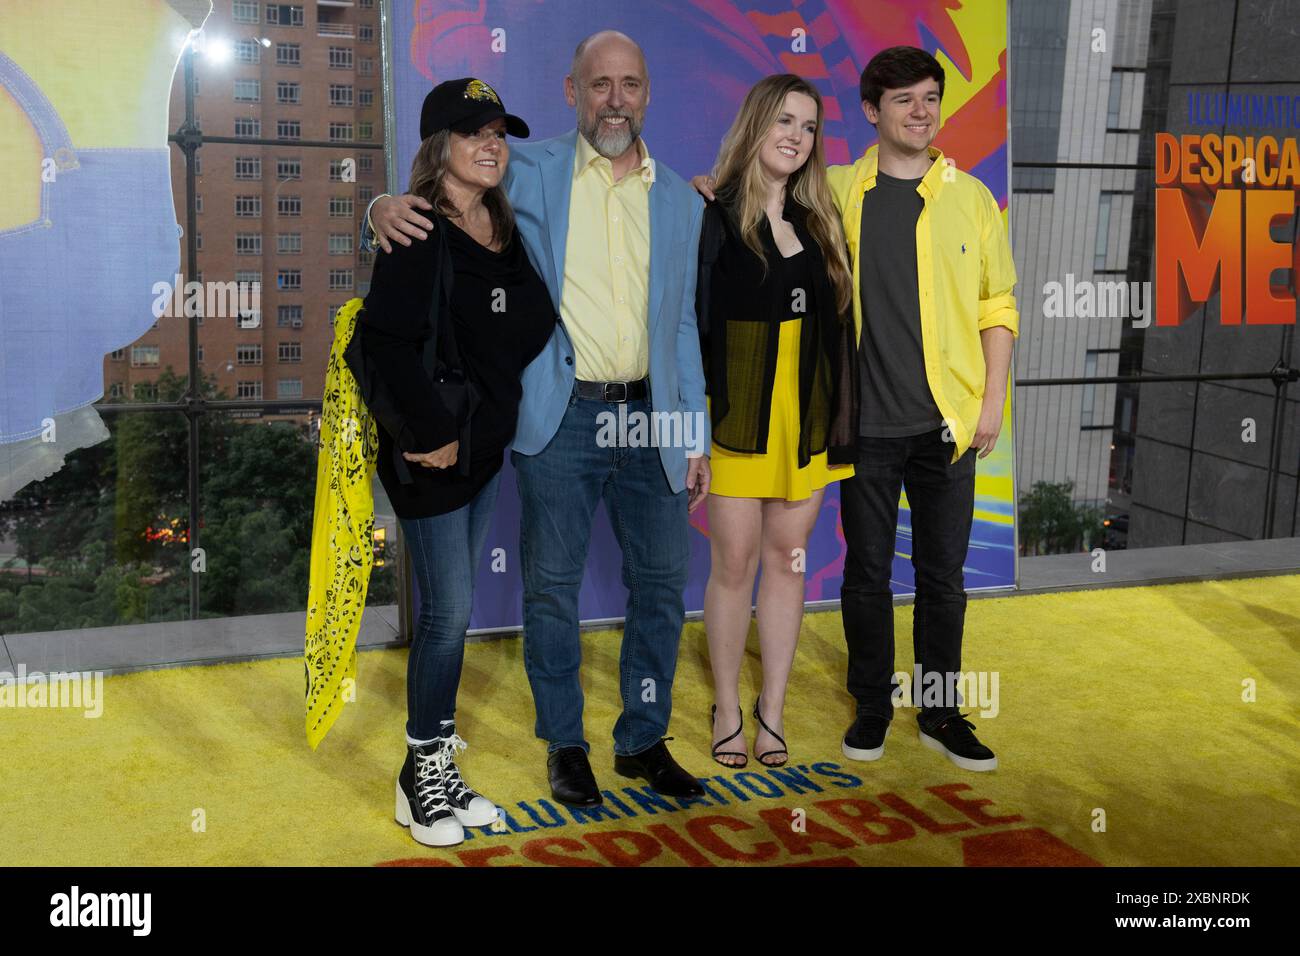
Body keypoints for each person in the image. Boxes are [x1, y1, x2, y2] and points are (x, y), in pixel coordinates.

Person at [365, 32, 711, 807]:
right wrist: (377, 206)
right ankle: (566, 744)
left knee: (659, 589)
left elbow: (682, 321)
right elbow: (440, 193)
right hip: (562, 417)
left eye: (630, 83)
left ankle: (644, 739)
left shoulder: (682, 200)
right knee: (550, 591)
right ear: (571, 92)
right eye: (599, 85)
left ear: (648, 92)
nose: (615, 99)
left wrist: (693, 434)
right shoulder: (528, 170)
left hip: (653, 418)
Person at [696, 47, 1017, 772]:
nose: (922, 111)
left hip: (948, 424)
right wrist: (709, 191)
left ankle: (941, 713)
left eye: (931, 97)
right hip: (862, 425)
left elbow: (999, 302)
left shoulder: (971, 199)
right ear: (872, 112)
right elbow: (755, 203)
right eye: (903, 99)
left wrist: (992, 400)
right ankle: (871, 706)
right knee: (865, 575)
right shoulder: (834, 193)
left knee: (944, 579)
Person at [358, 78, 556, 846]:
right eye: (474, 133)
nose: (492, 146)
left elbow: (525, 322)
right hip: (431, 454)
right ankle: (420, 777)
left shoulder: (501, 225)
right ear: (439, 146)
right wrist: (432, 427)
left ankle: (438, 765)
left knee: (456, 614)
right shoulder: (417, 230)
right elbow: (383, 342)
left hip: (481, 449)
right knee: (446, 618)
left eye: (501, 133)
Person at [694, 75, 859, 769]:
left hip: (808, 417)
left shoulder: (823, 218)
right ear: (757, 124)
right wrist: (694, 428)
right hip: (736, 412)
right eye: (784, 120)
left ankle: (772, 712)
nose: (796, 136)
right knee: (733, 564)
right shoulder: (713, 210)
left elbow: (840, 325)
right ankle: (726, 706)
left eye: (810, 126)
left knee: (787, 566)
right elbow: (694, 322)